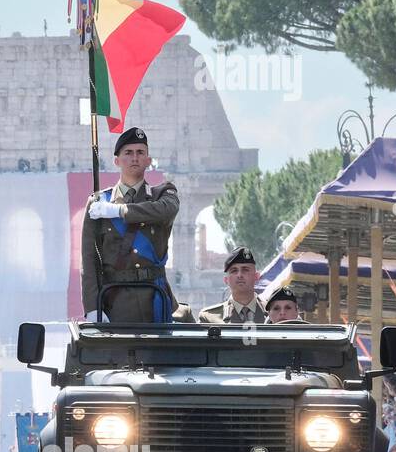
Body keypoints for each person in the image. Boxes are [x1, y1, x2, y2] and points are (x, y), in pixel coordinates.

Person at [80, 127, 179, 323]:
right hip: (115, 301)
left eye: (140, 152)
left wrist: (119, 211)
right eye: (128, 153)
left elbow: (167, 210)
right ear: (117, 160)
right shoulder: (99, 202)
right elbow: (89, 260)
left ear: (148, 160)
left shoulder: (162, 194)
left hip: (155, 297)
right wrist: (92, 307)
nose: (135, 158)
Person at [199, 248, 267, 325]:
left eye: (245, 270)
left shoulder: (274, 312)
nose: (239, 275)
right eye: (234, 271)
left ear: (257, 276)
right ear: (226, 280)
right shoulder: (209, 318)